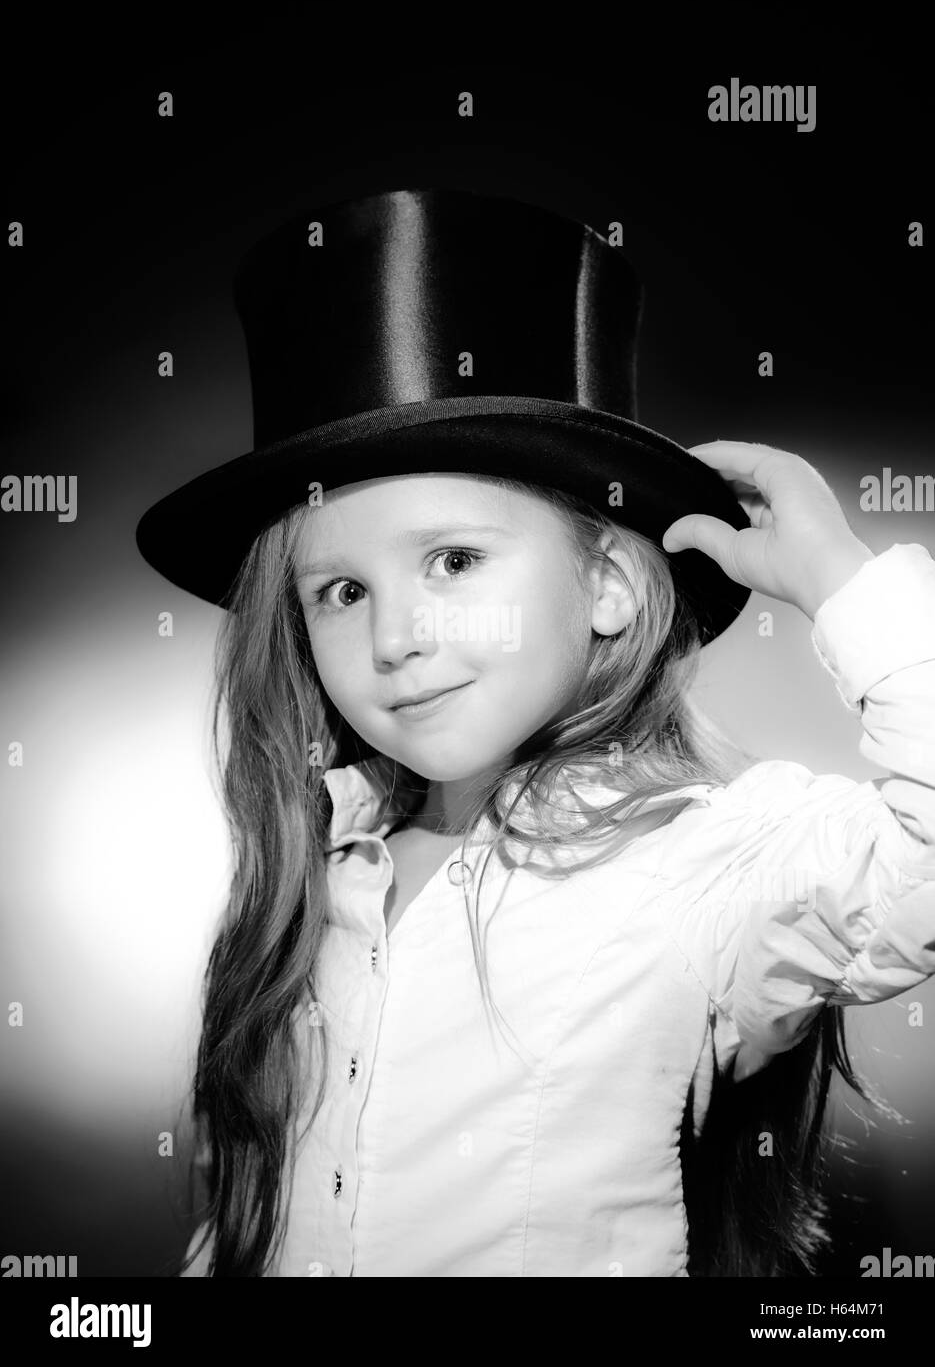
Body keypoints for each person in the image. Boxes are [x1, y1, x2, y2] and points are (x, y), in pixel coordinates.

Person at [136, 188, 935, 1276]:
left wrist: (840, 583)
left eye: (453, 560)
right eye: (339, 590)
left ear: (606, 581)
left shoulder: (703, 860)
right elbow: (253, 1220)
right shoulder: (314, 872)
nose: (396, 637)